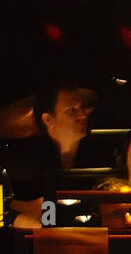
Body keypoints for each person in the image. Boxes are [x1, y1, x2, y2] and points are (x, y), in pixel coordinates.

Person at [8, 82, 97, 228]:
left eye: (82, 108)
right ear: (48, 120)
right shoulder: (25, 165)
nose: (82, 116)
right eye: (72, 111)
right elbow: (13, 210)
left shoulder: (96, 157)